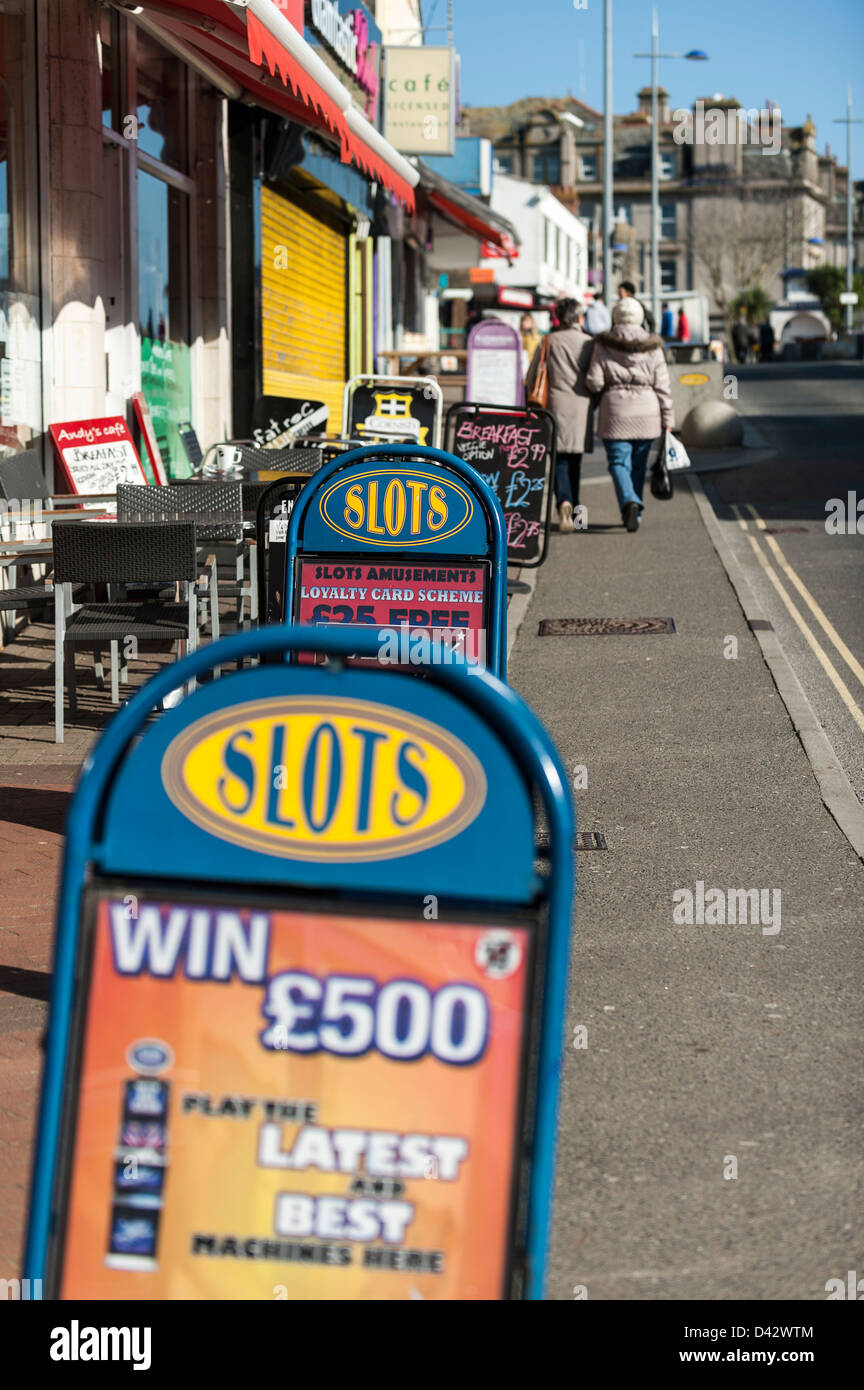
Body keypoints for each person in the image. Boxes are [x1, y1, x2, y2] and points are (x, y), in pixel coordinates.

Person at [584, 296, 675, 532]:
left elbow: (594, 382)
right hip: (648, 412)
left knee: (617, 462)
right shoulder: (653, 346)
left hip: (615, 411)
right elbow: (663, 386)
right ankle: (635, 510)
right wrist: (668, 420)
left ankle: (630, 501)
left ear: (615, 317)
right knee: (638, 465)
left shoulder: (603, 344)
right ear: (641, 318)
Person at [526, 298, 594, 534]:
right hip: (582, 407)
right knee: (576, 462)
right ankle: (579, 517)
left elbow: (532, 375)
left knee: (558, 460)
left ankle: (562, 501)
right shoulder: (589, 342)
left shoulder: (549, 340)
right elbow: (595, 378)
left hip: (554, 406)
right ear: (578, 318)